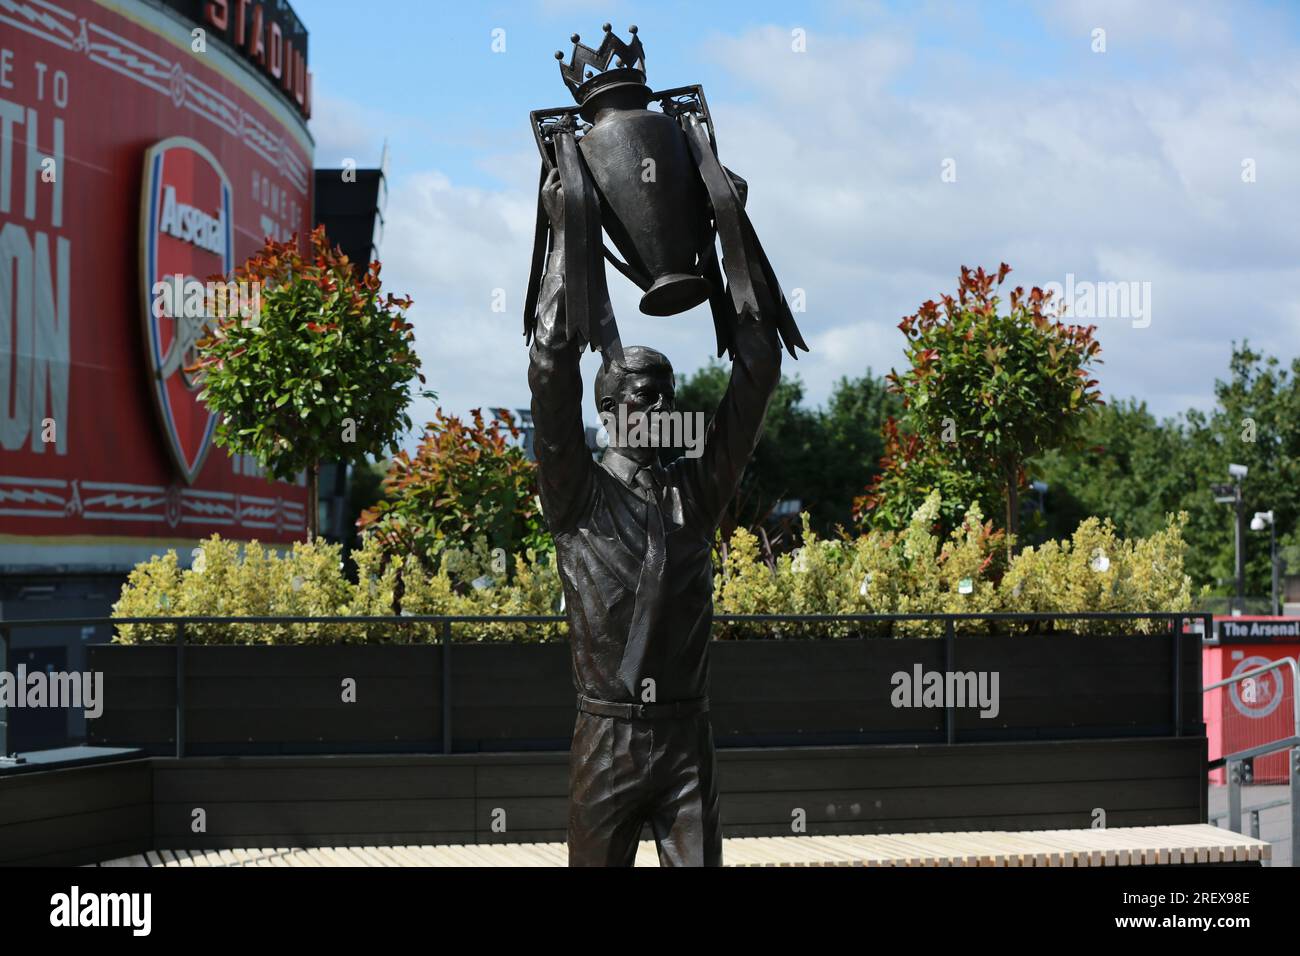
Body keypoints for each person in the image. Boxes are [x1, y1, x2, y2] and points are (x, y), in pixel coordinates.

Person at [526, 166, 786, 866]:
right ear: (609, 411)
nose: (665, 408)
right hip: (605, 743)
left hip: (684, 743)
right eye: (647, 396)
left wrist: (730, 231)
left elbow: (759, 366)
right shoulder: (576, 496)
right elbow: (550, 366)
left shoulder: (694, 493)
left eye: (669, 395)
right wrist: (568, 231)